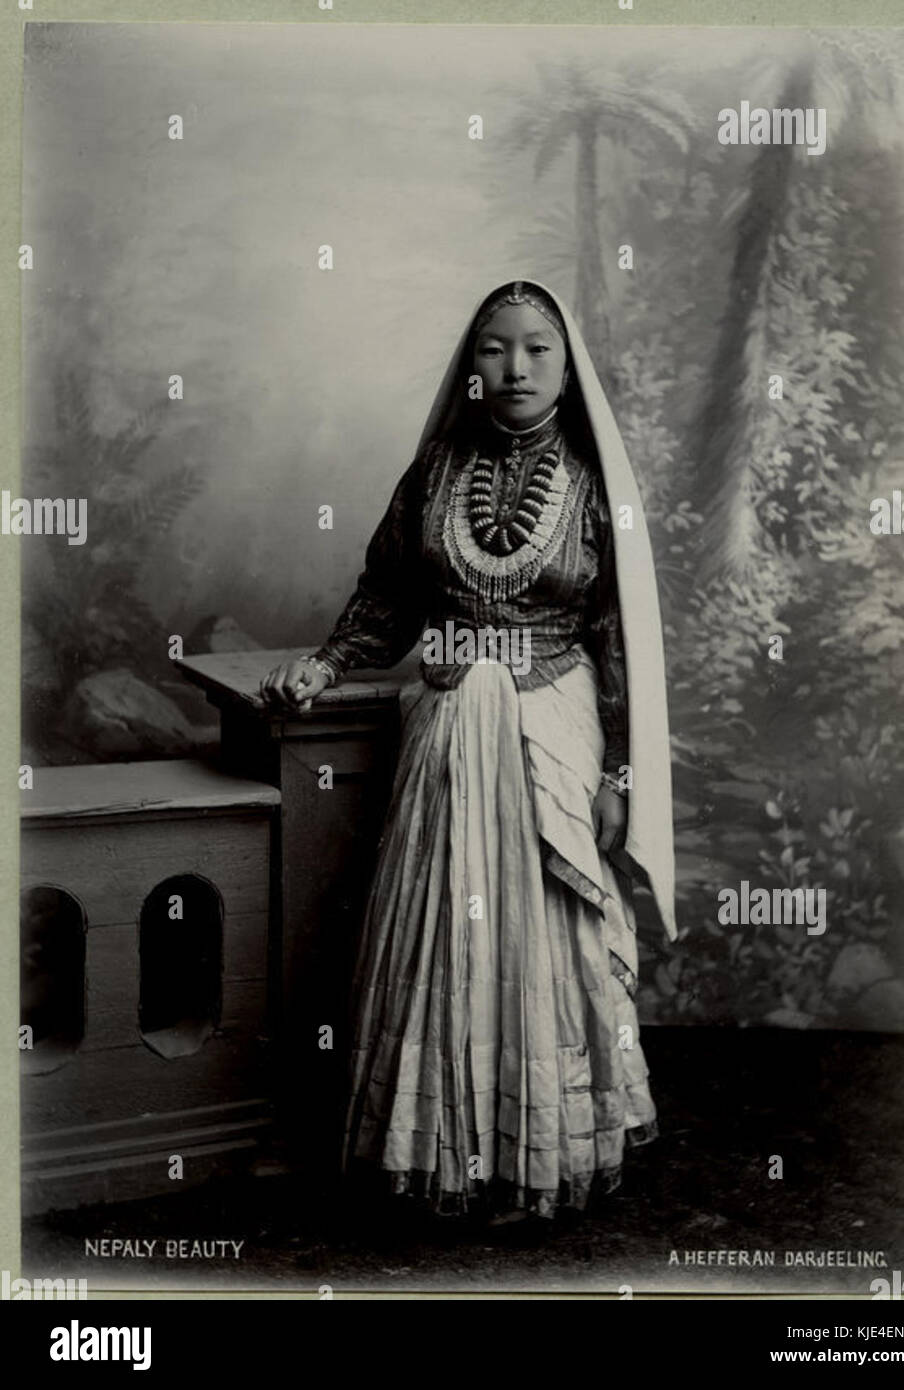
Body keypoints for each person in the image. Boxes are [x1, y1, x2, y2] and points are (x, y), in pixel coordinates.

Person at [261, 279, 676, 1224]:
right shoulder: (436, 472)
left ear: (569, 368)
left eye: (536, 348)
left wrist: (618, 777)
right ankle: (448, 1152)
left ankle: (541, 1153)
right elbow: (386, 600)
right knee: (448, 930)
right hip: (449, 727)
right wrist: (325, 665)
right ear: (471, 365)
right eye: (495, 347)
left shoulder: (596, 486)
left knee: (544, 938)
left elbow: (617, 640)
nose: (515, 367)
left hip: (553, 725)